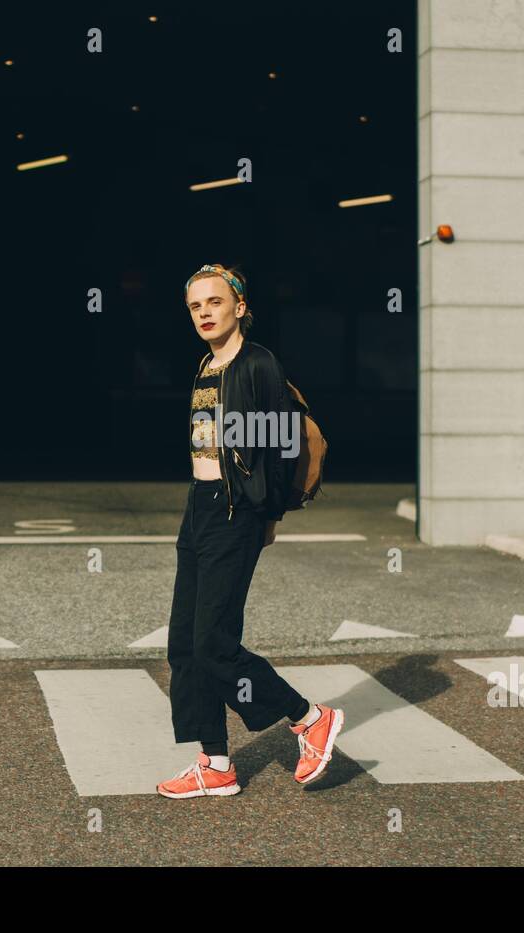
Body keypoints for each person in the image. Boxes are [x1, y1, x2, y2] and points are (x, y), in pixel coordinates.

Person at [157, 263, 344, 798]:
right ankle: (214, 761)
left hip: (235, 512)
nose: (204, 314)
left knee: (215, 643)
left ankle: (308, 719)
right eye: (195, 307)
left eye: (213, 303)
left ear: (239, 307)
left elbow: (283, 448)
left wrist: (267, 518)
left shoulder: (257, 364)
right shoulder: (206, 366)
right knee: (186, 645)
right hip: (199, 507)